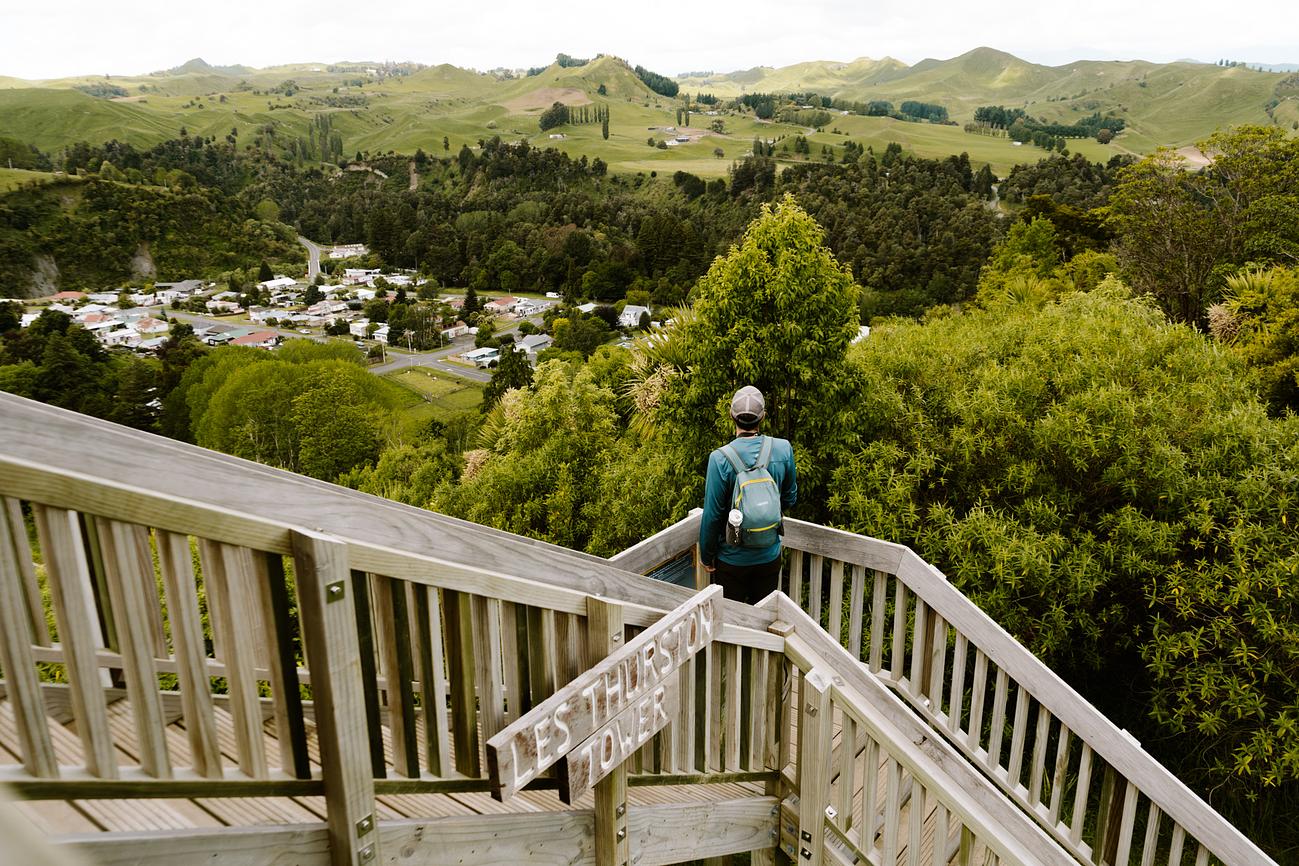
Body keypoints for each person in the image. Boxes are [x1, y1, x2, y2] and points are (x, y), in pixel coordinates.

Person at [699, 385, 797, 604]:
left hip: (732, 561)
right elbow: (790, 498)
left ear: (731, 416)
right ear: (762, 417)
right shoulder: (783, 449)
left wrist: (706, 556)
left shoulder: (719, 459)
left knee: (730, 623)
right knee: (762, 623)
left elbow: (713, 516)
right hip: (769, 557)